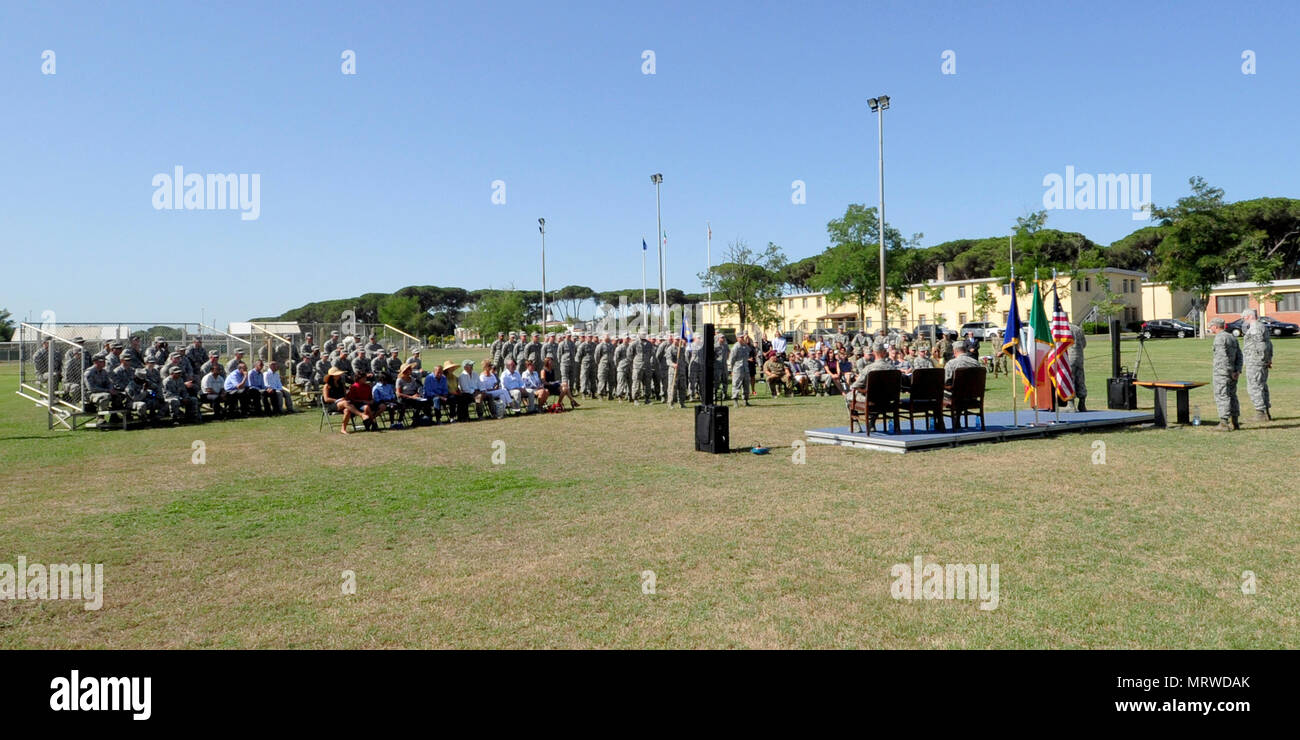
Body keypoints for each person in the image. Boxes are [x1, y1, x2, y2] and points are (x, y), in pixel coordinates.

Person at [1209, 317, 1242, 431]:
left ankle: (1224, 423)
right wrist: (1237, 370)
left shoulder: (1219, 338)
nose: (1210, 328)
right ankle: (1235, 422)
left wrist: (1228, 372)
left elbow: (1222, 357)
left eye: (1211, 326)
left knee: (1222, 396)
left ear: (1216, 326)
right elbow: (1239, 356)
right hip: (1232, 372)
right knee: (1232, 396)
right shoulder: (1232, 337)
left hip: (1222, 373)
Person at [1240, 309, 1273, 421]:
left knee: (1254, 386)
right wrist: (1268, 358)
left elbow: (1259, 343)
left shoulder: (1255, 327)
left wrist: (1261, 358)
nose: (1243, 320)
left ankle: (1260, 413)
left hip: (1255, 361)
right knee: (1262, 385)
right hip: (1261, 361)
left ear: (1249, 316)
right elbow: (1268, 344)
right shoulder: (1261, 326)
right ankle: (1265, 412)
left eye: (1244, 318)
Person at [323, 367, 366, 433]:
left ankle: (343, 429)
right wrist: (338, 400)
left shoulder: (342, 384)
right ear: (333, 376)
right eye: (338, 374)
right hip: (332, 404)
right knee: (345, 403)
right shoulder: (327, 386)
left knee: (347, 410)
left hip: (344, 403)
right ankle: (361, 415)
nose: (339, 375)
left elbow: (345, 396)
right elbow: (326, 399)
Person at [1067, 323, 1088, 412]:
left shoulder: (1062, 328)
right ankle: (1082, 403)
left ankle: (1071, 404)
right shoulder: (1077, 329)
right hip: (1079, 357)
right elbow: (1084, 344)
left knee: (1069, 380)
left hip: (1068, 358)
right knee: (1080, 379)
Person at [728, 332, 752, 406]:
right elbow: (731, 359)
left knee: (746, 384)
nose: (742, 338)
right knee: (736, 384)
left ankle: (746, 400)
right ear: (737, 338)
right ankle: (735, 401)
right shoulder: (735, 347)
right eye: (741, 337)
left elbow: (750, 350)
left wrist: (747, 341)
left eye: (742, 337)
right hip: (737, 369)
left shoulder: (745, 346)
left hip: (745, 368)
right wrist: (730, 370)